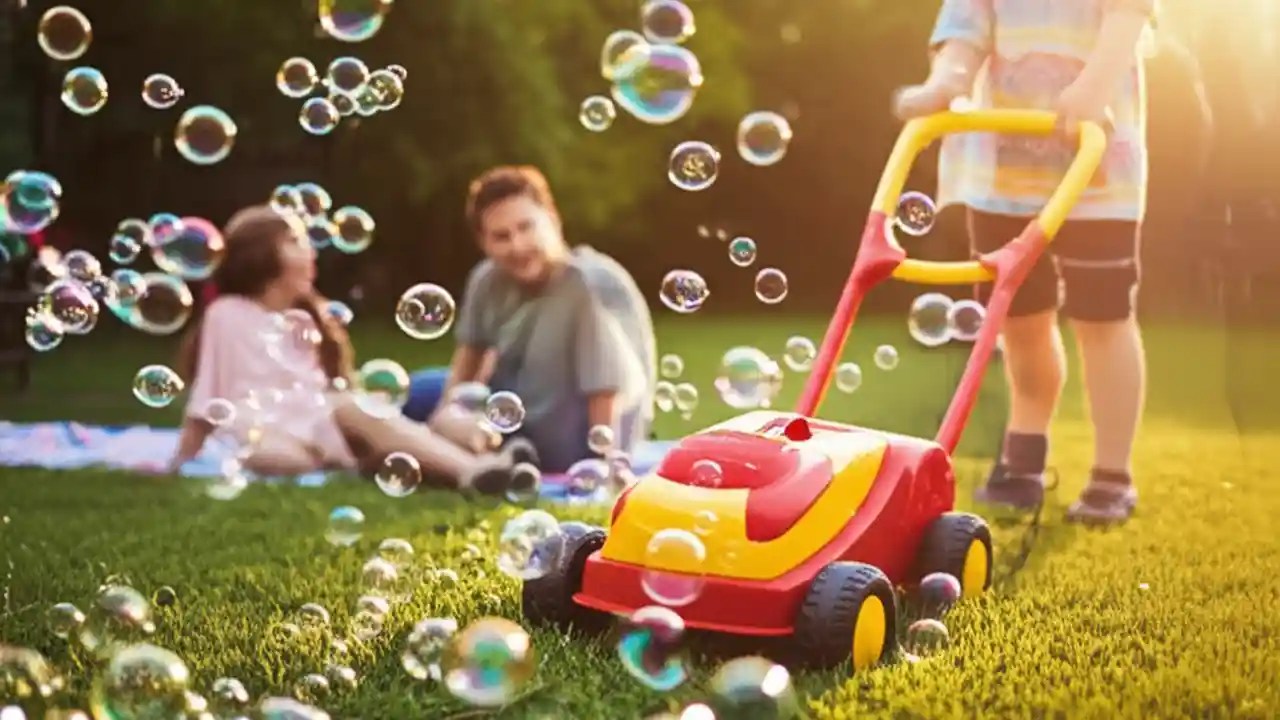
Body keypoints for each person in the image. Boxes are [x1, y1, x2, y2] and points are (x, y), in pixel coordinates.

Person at [894, 0, 1157, 524]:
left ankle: (1111, 474)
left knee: (1102, 320)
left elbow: (1127, 16)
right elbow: (964, 36)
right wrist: (946, 85)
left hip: (1098, 168)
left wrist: (1093, 87)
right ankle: (1025, 457)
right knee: (1020, 323)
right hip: (1002, 174)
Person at [169, 205, 522, 494]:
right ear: (260, 255)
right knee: (358, 417)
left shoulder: (304, 316)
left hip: (317, 423)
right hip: (268, 429)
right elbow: (207, 394)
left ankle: (494, 459)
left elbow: (322, 386)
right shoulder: (228, 313)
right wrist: (181, 459)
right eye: (294, 240)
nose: (309, 250)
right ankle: (475, 471)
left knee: (394, 431)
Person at [404, 166, 655, 473]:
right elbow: (467, 363)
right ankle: (491, 450)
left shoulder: (586, 281)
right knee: (416, 392)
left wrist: (606, 463)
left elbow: (606, 391)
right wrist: (446, 416)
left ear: (552, 219)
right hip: (508, 409)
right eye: (501, 236)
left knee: (423, 411)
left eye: (526, 227)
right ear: (483, 243)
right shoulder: (487, 279)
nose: (517, 245)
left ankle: (503, 454)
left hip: (572, 429)